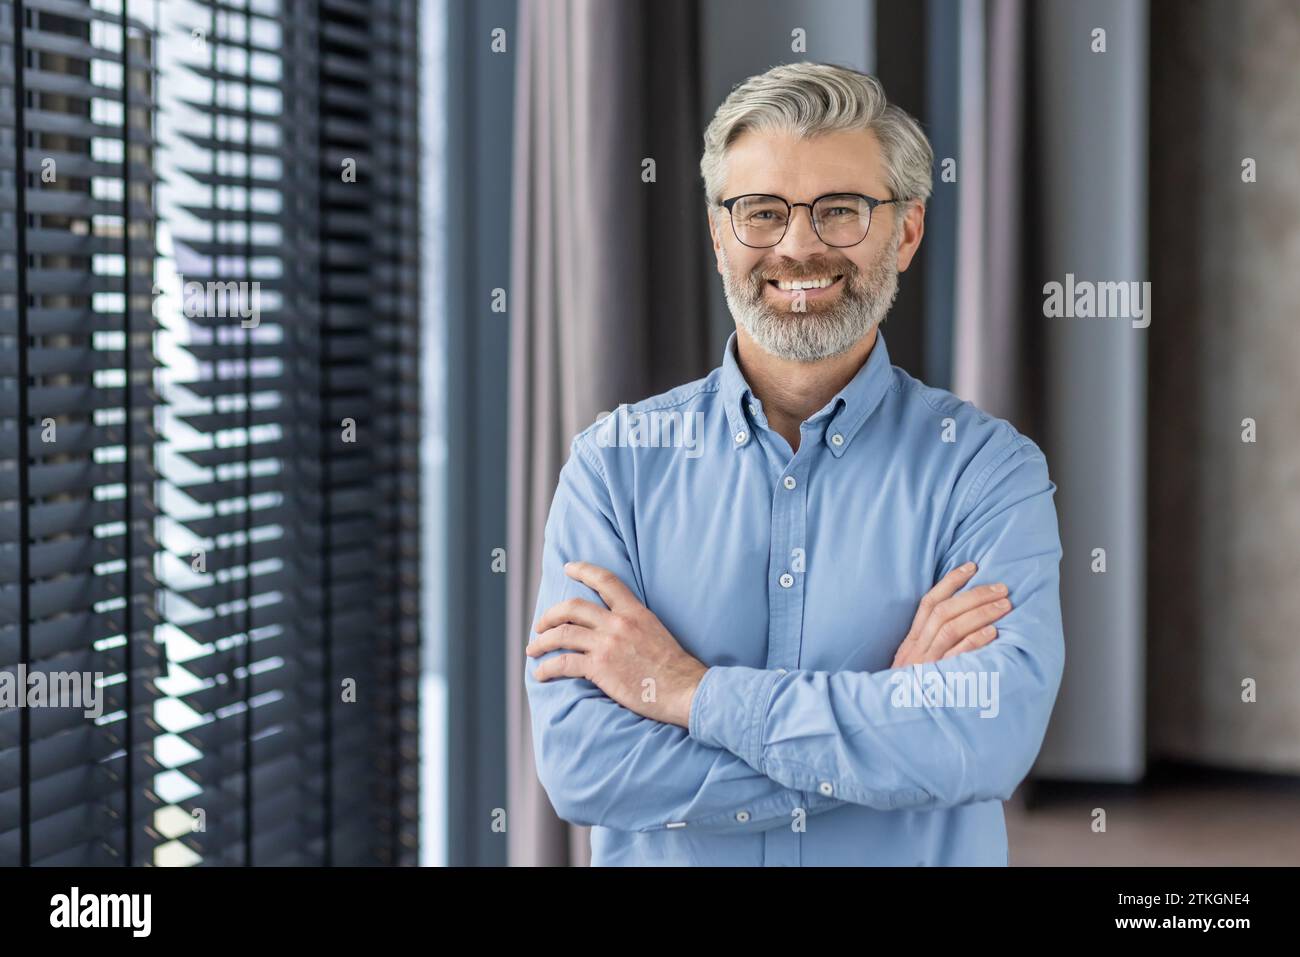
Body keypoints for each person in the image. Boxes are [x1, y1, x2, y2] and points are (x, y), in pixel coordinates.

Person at [524, 62, 1064, 866]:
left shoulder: (987, 472)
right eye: (761, 212)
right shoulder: (613, 467)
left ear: (906, 231)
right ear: (718, 234)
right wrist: (881, 725)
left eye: (841, 210)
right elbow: (583, 766)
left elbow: (984, 740)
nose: (799, 246)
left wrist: (689, 692)